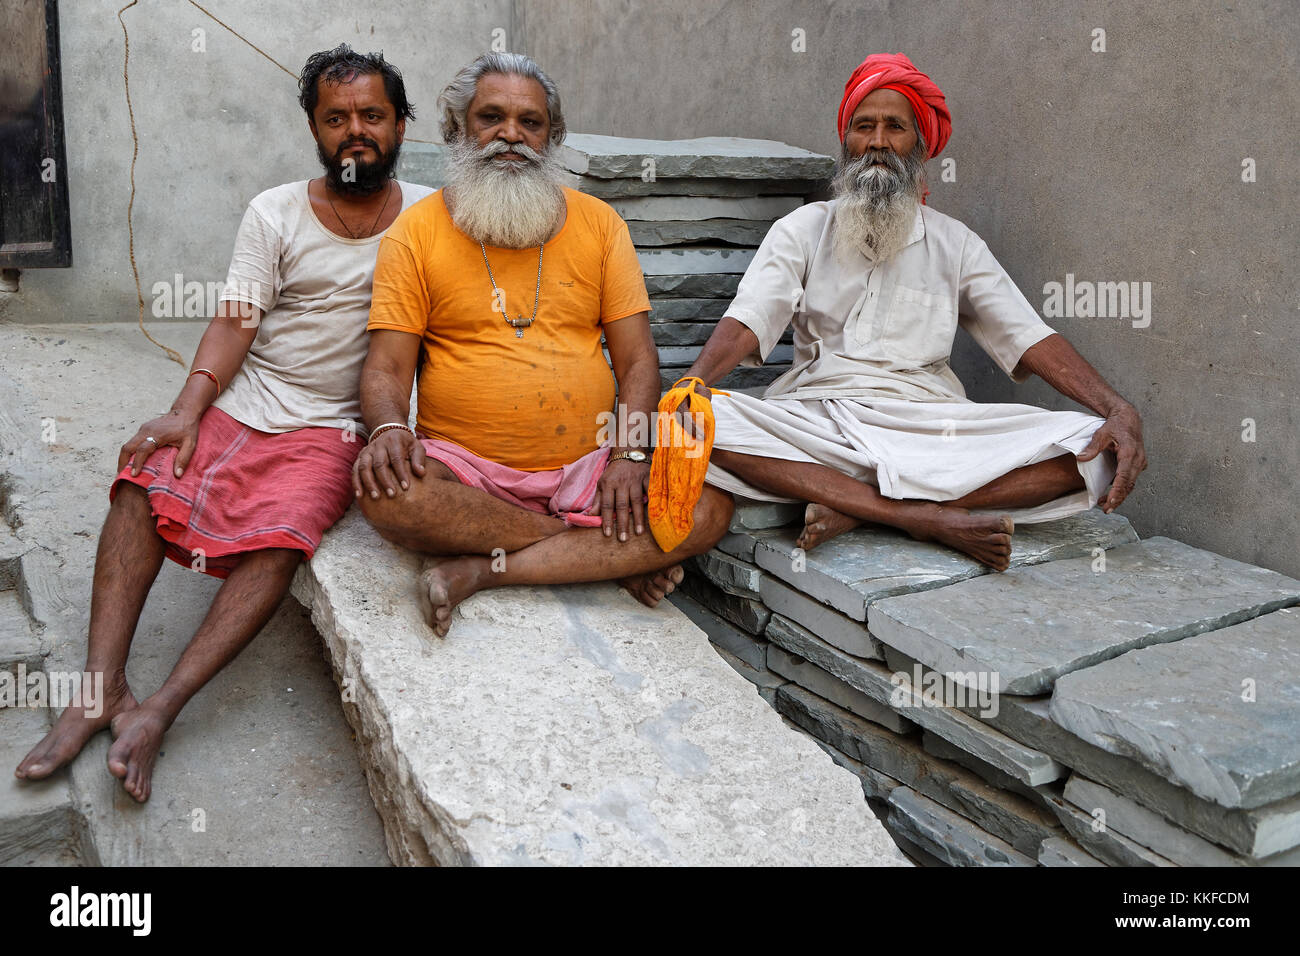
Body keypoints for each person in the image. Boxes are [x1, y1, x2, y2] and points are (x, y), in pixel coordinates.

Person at [14, 44, 433, 802]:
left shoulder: (435, 217)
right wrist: (186, 410)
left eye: (373, 115)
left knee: (280, 535)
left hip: (341, 425)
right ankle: (98, 691)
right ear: (313, 126)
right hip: (252, 400)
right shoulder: (274, 210)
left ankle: (160, 711)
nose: (355, 132)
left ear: (402, 124)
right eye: (336, 118)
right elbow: (238, 321)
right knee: (142, 481)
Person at [683, 53, 1147, 570]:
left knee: (1094, 445)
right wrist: (693, 383)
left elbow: (1027, 336)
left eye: (894, 128)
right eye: (864, 127)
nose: (878, 142)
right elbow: (752, 316)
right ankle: (923, 514)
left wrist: (1116, 408)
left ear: (919, 146)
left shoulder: (956, 243)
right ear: (846, 143)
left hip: (931, 425)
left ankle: (865, 509)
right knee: (691, 421)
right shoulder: (804, 228)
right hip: (820, 418)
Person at [353, 52, 733, 638]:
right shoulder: (416, 231)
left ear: (552, 137)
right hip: (465, 471)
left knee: (708, 510)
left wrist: (630, 457)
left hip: (591, 467)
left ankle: (486, 570)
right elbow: (386, 368)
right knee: (389, 495)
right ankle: (600, 555)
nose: (511, 135)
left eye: (531, 123)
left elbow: (636, 360)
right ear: (458, 130)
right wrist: (386, 430)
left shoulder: (600, 223)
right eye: (491, 118)